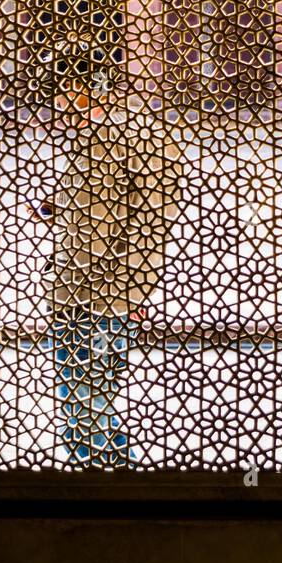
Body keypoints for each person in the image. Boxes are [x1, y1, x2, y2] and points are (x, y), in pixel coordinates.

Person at [27, 76, 183, 469]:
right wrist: (60, 209)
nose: (60, 107)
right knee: (89, 405)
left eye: (63, 92)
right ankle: (110, 490)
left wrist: (131, 289)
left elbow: (144, 224)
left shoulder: (118, 137)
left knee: (85, 408)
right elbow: (116, 211)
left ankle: (104, 497)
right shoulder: (121, 134)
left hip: (94, 296)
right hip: (89, 291)